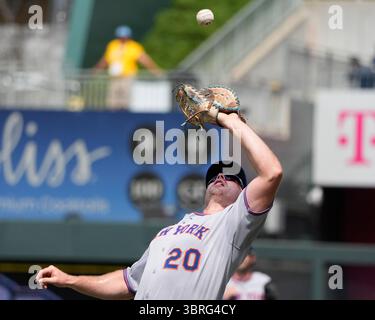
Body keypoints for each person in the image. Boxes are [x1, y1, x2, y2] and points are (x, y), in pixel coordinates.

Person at [36, 112, 283, 300]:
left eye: (231, 177)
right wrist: (70, 279)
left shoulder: (233, 224)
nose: (221, 177)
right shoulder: (167, 233)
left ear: (244, 193)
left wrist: (230, 121)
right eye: (215, 176)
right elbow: (128, 282)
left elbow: (271, 172)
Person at [95, 25, 163, 109]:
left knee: (125, 101)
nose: (122, 39)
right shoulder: (112, 45)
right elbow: (105, 59)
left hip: (127, 77)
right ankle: (112, 118)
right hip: (114, 78)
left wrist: (154, 70)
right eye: (121, 37)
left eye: (124, 37)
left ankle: (125, 117)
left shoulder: (134, 46)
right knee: (112, 101)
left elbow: (144, 59)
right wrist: (97, 70)